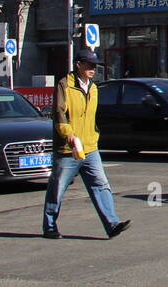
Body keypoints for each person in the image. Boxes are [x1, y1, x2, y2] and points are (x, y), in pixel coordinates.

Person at [42, 49, 130, 240]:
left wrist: (93, 135)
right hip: (68, 148)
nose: (93, 69)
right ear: (79, 65)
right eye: (89, 65)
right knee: (57, 188)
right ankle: (49, 226)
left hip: (90, 147)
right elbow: (59, 114)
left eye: (95, 66)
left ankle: (112, 223)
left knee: (101, 185)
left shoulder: (93, 88)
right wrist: (69, 136)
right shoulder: (65, 85)